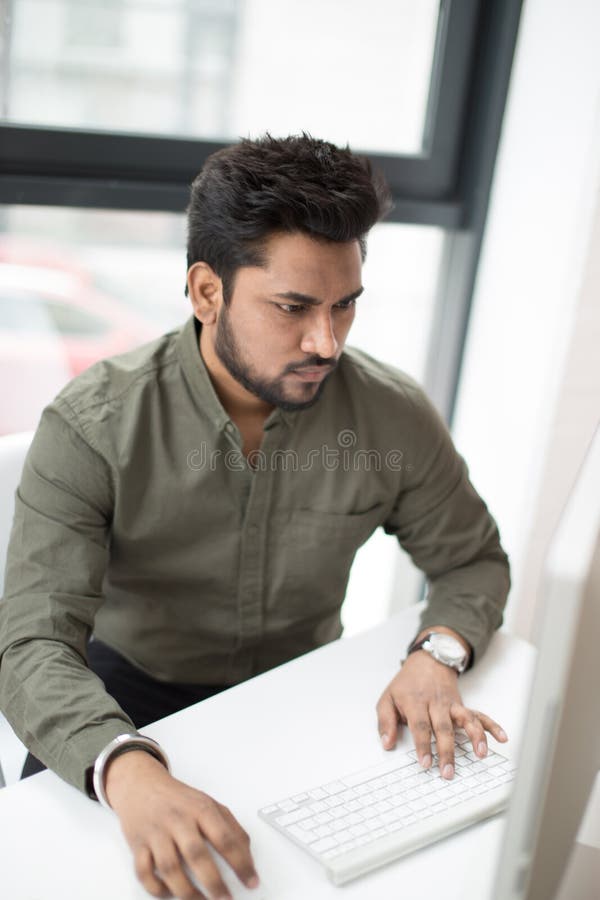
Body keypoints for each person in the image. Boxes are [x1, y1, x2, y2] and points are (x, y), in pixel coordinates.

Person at [0, 133, 510, 900]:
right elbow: (31, 642)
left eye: (345, 305)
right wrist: (129, 770)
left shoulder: (391, 415)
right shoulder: (92, 424)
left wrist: (436, 653)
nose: (326, 342)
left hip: (304, 690)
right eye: (293, 307)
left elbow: (471, 559)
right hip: (127, 693)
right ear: (208, 292)